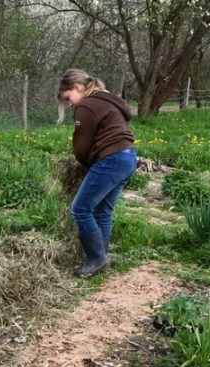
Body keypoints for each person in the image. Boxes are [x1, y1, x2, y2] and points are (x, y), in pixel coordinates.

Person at [58, 69, 137, 276]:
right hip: (127, 158)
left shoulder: (86, 105)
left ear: (76, 87)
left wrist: (83, 163)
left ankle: (97, 258)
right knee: (102, 211)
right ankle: (101, 257)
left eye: (68, 98)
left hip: (110, 160)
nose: (70, 103)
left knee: (80, 209)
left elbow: (82, 145)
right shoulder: (109, 99)